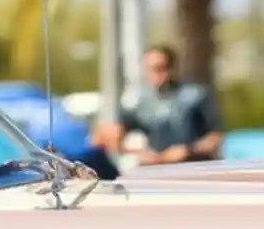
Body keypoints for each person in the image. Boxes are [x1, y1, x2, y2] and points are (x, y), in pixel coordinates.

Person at [95, 45, 223, 165]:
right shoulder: (140, 102)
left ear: (173, 68)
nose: (156, 74)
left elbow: (216, 137)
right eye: (150, 69)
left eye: (161, 68)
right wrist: (135, 151)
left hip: (195, 167)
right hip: (159, 170)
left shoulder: (195, 95)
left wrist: (189, 150)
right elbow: (111, 134)